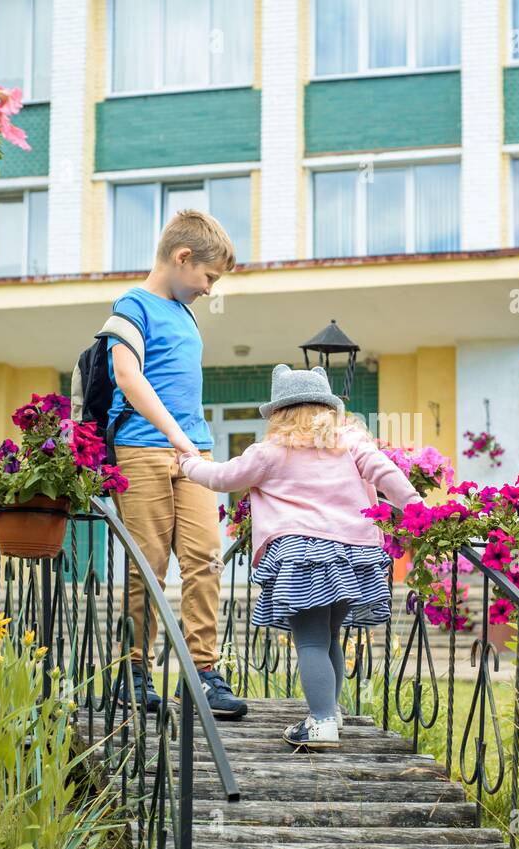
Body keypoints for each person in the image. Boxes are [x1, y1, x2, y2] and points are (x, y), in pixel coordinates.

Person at [179, 364, 422, 748]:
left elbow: (222, 477)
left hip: (303, 556)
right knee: (328, 638)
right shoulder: (351, 443)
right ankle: (331, 712)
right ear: (328, 409)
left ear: (279, 413)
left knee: (309, 641)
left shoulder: (270, 453)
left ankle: (322, 720)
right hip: (354, 556)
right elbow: (385, 472)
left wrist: (187, 464)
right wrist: (416, 509)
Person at [107, 209, 246, 718]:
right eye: (207, 277)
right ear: (182, 257)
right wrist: (175, 436)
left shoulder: (186, 315)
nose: (209, 289)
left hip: (194, 453)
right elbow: (128, 377)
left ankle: (203, 674)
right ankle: (134, 672)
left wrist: (190, 445)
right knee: (147, 564)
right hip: (143, 450)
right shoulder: (130, 307)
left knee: (206, 558)